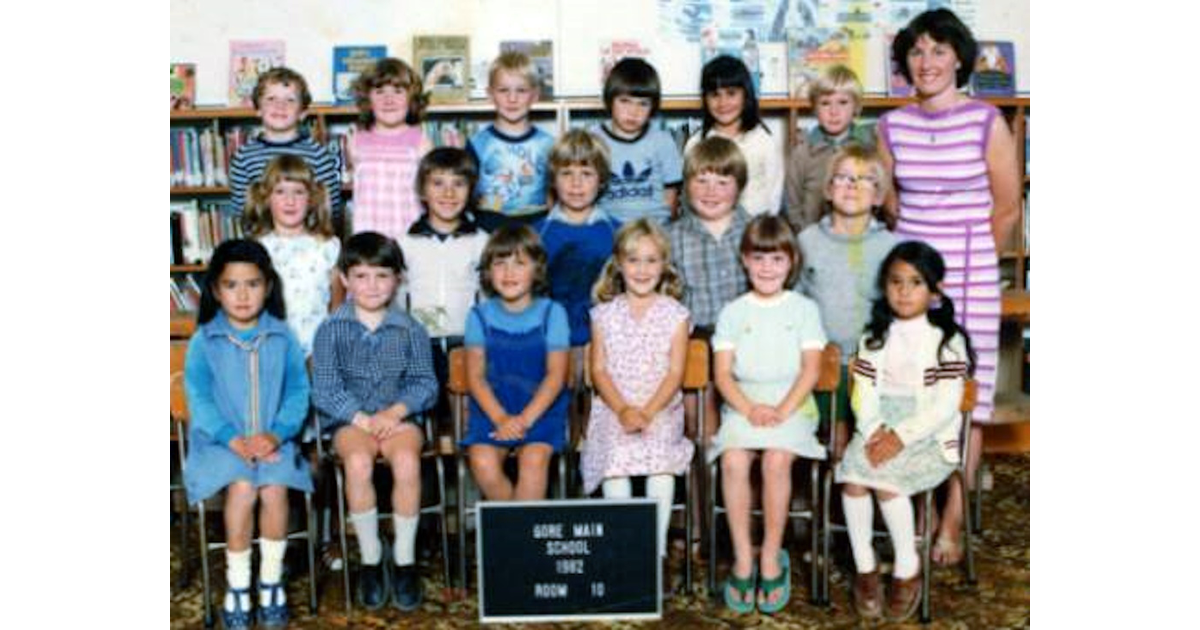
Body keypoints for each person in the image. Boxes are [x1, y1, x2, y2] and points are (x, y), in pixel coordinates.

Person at [877, 7, 1020, 565]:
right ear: (905, 63)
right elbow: (891, 206)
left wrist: (961, 266)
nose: (927, 61)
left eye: (938, 50)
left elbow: (1006, 208)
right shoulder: (891, 125)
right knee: (910, 397)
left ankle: (950, 524)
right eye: (916, 51)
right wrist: (916, 274)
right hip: (910, 283)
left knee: (964, 404)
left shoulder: (988, 120)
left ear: (959, 57)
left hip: (969, 275)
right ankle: (911, 516)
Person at [836, 240, 975, 622]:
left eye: (915, 282)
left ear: (934, 290)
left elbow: (946, 406)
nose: (904, 290)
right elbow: (862, 394)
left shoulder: (947, 340)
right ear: (885, 286)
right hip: (877, 424)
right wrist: (874, 429)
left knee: (885, 482)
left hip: (927, 433)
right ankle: (865, 569)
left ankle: (905, 566)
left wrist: (900, 436)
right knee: (853, 480)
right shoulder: (873, 337)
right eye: (895, 281)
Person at [183, 239, 312, 630]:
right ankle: (238, 585)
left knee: (274, 489)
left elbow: (297, 391)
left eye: (253, 284)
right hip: (220, 443)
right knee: (242, 487)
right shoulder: (205, 340)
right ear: (216, 291)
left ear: (268, 287)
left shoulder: (282, 336)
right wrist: (231, 438)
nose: (242, 295)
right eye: (232, 285)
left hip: (274, 438)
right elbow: (199, 397)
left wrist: (276, 434)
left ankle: (270, 580)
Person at [311, 232, 439, 612]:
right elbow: (325, 388)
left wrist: (395, 413)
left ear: (397, 279)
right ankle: (370, 559)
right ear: (345, 280)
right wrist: (363, 419)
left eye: (382, 275)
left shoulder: (410, 328)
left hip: (399, 420)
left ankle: (403, 560)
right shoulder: (331, 329)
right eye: (361, 276)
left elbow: (424, 383)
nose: (372, 285)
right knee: (358, 462)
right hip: (351, 421)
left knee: (405, 461)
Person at [709, 215, 827, 615]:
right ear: (744, 260)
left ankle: (771, 556)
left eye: (776, 259)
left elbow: (811, 370)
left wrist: (780, 410)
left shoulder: (805, 309)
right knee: (733, 460)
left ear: (791, 262)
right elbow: (723, 375)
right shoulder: (733, 312)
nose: (767, 268)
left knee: (777, 460)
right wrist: (749, 408)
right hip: (745, 403)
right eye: (758, 258)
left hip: (792, 404)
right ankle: (744, 556)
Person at [580, 219, 693, 594]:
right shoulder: (603, 314)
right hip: (614, 407)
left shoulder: (675, 314)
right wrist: (625, 409)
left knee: (661, 466)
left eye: (651, 261)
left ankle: (654, 555)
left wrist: (647, 411)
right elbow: (597, 369)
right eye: (633, 260)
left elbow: (675, 371)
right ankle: (624, 552)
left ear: (664, 266)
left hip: (660, 407)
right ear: (618, 264)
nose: (642, 270)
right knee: (615, 463)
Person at [796, 145, 896, 456]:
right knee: (831, 442)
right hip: (821, 363)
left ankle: (861, 494)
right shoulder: (807, 240)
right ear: (828, 190)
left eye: (865, 179)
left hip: (874, 364)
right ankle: (828, 494)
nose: (852, 185)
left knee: (868, 442)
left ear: (879, 196)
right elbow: (795, 302)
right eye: (843, 178)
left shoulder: (891, 246)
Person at [462, 225, 570, 501]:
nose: (509, 273)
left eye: (520, 263)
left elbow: (556, 376)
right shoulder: (478, 316)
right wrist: (500, 418)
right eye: (500, 264)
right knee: (483, 461)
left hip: (540, 412)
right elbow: (475, 377)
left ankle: (523, 538)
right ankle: (516, 533)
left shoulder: (553, 313)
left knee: (533, 461)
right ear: (488, 271)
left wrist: (523, 420)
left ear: (537, 270)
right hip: (492, 411)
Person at [398, 147, 489, 419]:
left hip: (466, 341)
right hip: (419, 343)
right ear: (422, 191)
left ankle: (464, 459)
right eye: (438, 183)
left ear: (470, 191)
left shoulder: (482, 242)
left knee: (465, 417)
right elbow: (398, 296)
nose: (448, 194)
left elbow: (488, 295)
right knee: (424, 420)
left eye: (458, 184)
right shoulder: (405, 244)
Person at [534, 129, 620, 384]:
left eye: (586, 174)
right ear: (553, 179)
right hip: (551, 345)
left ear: (601, 180)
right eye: (566, 173)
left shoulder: (619, 233)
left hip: (607, 347)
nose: (576, 184)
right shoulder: (537, 234)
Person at [244, 154, 342, 357]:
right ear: (266, 198)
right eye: (280, 192)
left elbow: (337, 306)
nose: (290, 201)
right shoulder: (256, 248)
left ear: (311, 199)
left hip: (318, 355)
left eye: (298, 192)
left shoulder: (327, 247)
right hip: (269, 352)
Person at [228, 67, 343, 223]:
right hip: (261, 239)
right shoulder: (244, 156)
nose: (280, 106)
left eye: (290, 100)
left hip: (308, 240)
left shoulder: (318, 154)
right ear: (258, 109)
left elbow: (331, 207)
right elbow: (240, 210)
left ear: (302, 112)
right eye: (271, 99)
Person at [346, 57, 435, 241]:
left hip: (410, 236)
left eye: (398, 91)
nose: (389, 99)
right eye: (379, 91)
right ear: (367, 99)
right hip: (368, 238)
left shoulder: (421, 140)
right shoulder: (356, 139)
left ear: (411, 99)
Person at [684, 55, 783, 216]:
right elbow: (689, 195)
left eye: (731, 93)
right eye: (715, 94)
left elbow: (774, 193)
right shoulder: (696, 143)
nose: (723, 103)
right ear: (705, 98)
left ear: (746, 95)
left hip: (754, 228)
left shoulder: (763, 140)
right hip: (708, 227)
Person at [467, 51, 555, 229]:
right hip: (488, 232)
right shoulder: (477, 144)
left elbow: (554, 196)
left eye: (521, 90)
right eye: (503, 90)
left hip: (535, 232)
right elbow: (466, 195)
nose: (512, 99)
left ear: (535, 96)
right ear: (490, 94)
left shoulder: (549, 144)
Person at [784, 64, 877, 231]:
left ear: (856, 106)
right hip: (813, 241)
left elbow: (878, 194)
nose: (834, 111)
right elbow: (792, 205)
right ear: (814, 108)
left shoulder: (869, 147)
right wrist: (805, 237)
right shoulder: (803, 152)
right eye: (825, 103)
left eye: (843, 102)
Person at [591, 58, 683, 224]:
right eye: (625, 101)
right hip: (608, 228)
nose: (633, 112)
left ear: (653, 107)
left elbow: (670, 196)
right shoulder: (593, 140)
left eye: (643, 104)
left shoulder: (662, 141)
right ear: (610, 99)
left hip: (654, 229)